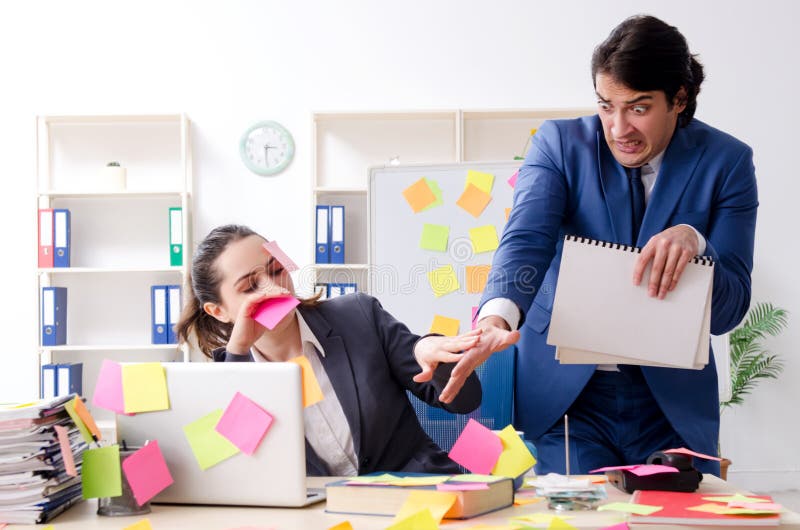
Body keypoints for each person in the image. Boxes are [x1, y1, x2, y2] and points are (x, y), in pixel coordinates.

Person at [438, 15, 757, 476]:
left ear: (680, 99)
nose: (618, 128)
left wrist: (696, 242)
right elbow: (526, 238)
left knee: (673, 514)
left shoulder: (727, 162)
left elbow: (730, 311)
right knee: (574, 511)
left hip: (670, 406)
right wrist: (495, 318)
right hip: (568, 400)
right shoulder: (559, 145)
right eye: (607, 106)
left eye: (639, 108)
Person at [175, 224, 483, 476]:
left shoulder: (359, 316)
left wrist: (438, 359)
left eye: (277, 270)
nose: (275, 289)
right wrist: (239, 350)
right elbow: (234, 472)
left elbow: (465, 401)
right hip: (316, 516)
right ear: (218, 311)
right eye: (249, 287)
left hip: (413, 499)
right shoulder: (229, 376)